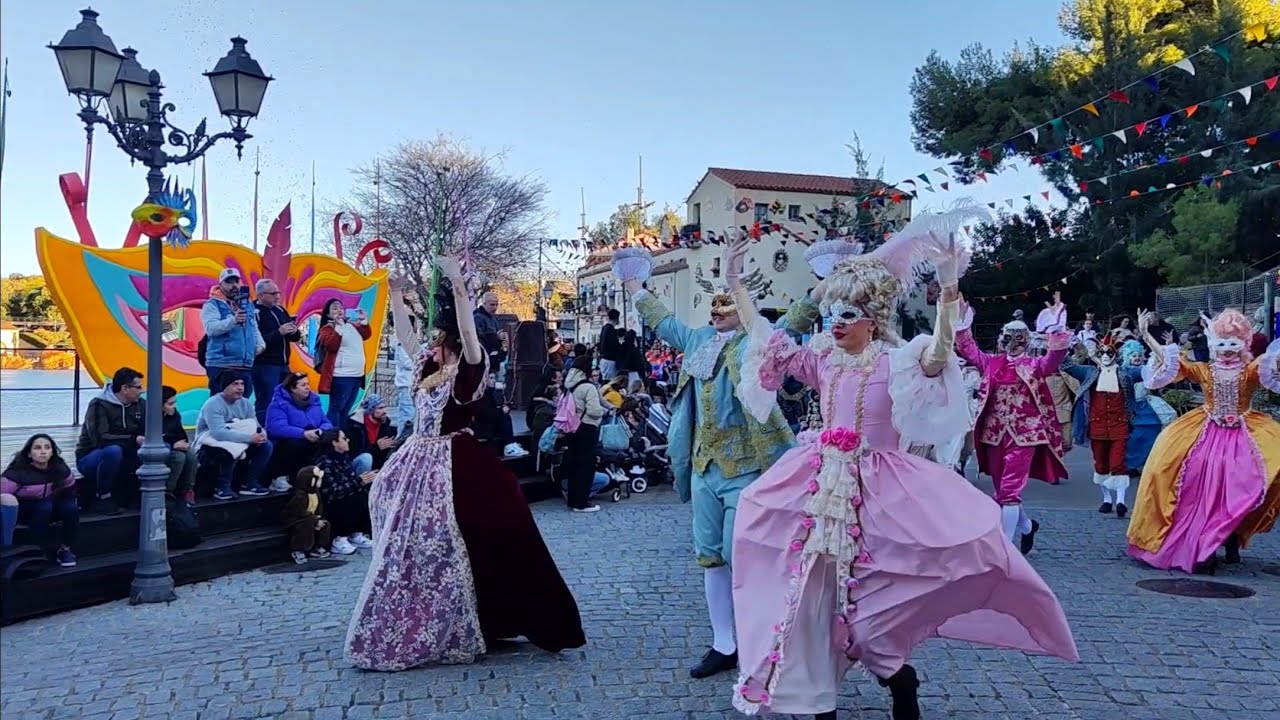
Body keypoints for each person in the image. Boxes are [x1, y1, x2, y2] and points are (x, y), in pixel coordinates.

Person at [728, 221, 1078, 720]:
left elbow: (939, 353)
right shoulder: (824, 360)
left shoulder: (897, 362)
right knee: (806, 594)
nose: (835, 323)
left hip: (880, 492)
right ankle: (815, 699)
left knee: (872, 610)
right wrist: (735, 281)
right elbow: (763, 336)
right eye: (831, 313)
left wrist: (950, 288)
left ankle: (897, 675)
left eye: (847, 314)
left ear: (872, 319)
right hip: (817, 486)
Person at [345, 258, 584, 671]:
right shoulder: (426, 367)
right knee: (406, 529)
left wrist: (458, 285)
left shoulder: (467, 372)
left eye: (439, 339)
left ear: (450, 342)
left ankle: (493, 611)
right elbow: (404, 334)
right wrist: (397, 293)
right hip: (416, 458)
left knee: (476, 532)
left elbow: (471, 336)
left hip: (454, 459)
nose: (431, 344)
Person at [615, 240, 820, 681]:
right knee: (709, 555)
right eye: (713, 307)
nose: (717, 312)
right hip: (704, 466)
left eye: (727, 306)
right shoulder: (698, 340)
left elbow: (795, 321)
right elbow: (662, 321)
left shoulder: (757, 340)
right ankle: (723, 643)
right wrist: (634, 284)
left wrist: (823, 287)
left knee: (741, 554)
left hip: (748, 468)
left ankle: (759, 639)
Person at [1127, 308, 1280, 574]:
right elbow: (1171, 363)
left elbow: (1273, 366)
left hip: (1243, 434)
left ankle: (1231, 537)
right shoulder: (1204, 370)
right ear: (1213, 344)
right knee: (1182, 476)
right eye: (1222, 343)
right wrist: (1146, 336)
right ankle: (1204, 544)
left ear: (1244, 344)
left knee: (1239, 485)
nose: (1227, 349)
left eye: (1233, 343)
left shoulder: (1251, 370)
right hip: (1204, 430)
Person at [955, 311, 1071, 551]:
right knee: (1002, 491)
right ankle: (1027, 527)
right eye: (1006, 337)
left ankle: (1006, 548)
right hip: (994, 434)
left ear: (1025, 340)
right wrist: (962, 322)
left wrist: (1056, 330)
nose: (1009, 342)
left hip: (1025, 436)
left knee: (1009, 492)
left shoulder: (1034, 366)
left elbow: (1055, 356)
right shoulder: (992, 362)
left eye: (1015, 338)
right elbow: (968, 350)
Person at [1061, 334, 1141, 517]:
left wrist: (1165, 350)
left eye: (1109, 352)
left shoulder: (1126, 373)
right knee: (1101, 463)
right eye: (1102, 352)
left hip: (1119, 424)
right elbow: (1066, 365)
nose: (1105, 355)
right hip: (1096, 425)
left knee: (1118, 462)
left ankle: (1121, 501)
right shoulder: (1089, 372)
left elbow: (1150, 372)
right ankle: (1106, 500)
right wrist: (1060, 340)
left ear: (1115, 354)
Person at [0, 434, 80, 567]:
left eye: (47, 447)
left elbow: (71, 490)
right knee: (45, 507)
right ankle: (38, 550)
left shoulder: (60, 468)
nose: (43, 451)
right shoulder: (18, 472)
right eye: (37, 448)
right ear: (29, 454)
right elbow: (3, 495)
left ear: (52, 452)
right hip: (25, 511)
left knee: (70, 507)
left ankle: (65, 549)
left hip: (51, 507)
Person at [74, 367, 146, 513]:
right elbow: (100, 438)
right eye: (138, 387)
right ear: (125, 388)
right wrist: (133, 439)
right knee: (113, 451)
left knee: (160, 447)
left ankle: (142, 494)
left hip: (126, 453)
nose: (142, 390)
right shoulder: (99, 405)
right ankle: (103, 496)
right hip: (92, 456)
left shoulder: (141, 404)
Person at [194, 373, 272, 501]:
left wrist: (261, 434)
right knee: (231, 448)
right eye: (235, 384)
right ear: (225, 387)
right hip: (209, 443)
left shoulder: (246, 403)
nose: (240, 388)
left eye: (242, 384)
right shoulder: (213, 404)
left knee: (266, 445)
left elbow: (254, 424)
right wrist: (249, 438)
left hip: (240, 437)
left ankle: (250, 483)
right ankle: (222, 487)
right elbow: (218, 433)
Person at [202, 268, 265, 396]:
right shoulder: (212, 304)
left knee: (242, 406)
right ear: (221, 285)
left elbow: (253, 327)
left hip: (245, 364)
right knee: (220, 404)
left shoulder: (247, 304)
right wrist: (233, 321)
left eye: (236, 281)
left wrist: (260, 344)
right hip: (222, 364)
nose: (234, 286)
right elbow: (211, 328)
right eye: (229, 282)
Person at [264, 372, 333, 488]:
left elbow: (326, 422)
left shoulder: (314, 402)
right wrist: (303, 434)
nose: (308, 387)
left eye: (308, 384)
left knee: (335, 436)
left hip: (313, 437)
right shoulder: (278, 404)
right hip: (288, 443)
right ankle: (279, 477)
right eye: (303, 385)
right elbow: (276, 427)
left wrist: (320, 431)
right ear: (292, 388)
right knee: (292, 443)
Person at [314, 428, 375, 556]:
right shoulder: (325, 463)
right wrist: (359, 481)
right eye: (344, 438)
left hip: (344, 495)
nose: (348, 440)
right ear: (335, 443)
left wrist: (363, 482)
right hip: (330, 505)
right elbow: (332, 492)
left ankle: (356, 534)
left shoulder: (344, 458)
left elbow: (350, 481)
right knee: (352, 499)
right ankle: (339, 539)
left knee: (364, 495)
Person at [1119, 339, 1176, 475]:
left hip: (1147, 404)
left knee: (1157, 428)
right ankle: (1130, 464)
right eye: (1133, 355)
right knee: (1136, 435)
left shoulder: (1144, 370)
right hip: (1132, 407)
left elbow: (1158, 369)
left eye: (1139, 355)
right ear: (1127, 357)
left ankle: (1149, 461)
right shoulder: (1124, 372)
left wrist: (1166, 348)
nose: (1137, 358)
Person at [252, 277, 302, 424]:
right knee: (266, 400)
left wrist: (293, 332)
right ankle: (265, 433)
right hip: (264, 365)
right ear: (260, 295)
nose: (277, 297)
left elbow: (295, 337)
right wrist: (278, 332)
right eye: (273, 294)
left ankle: (282, 430)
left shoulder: (280, 309)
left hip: (284, 364)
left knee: (286, 398)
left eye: (278, 293)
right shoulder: (254, 312)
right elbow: (255, 341)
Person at [316, 298, 373, 427]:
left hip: (357, 375)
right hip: (341, 375)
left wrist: (364, 321)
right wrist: (338, 328)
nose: (339, 310)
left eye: (341, 308)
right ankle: (331, 436)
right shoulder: (327, 328)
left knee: (346, 409)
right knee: (336, 408)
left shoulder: (351, 325)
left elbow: (366, 335)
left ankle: (342, 436)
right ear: (328, 314)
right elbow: (331, 345)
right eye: (335, 308)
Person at [562, 355, 607, 513]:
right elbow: (595, 411)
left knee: (575, 466)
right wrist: (604, 412)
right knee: (586, 467)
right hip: (587, 428)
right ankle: (582, 502)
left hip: (573, 428)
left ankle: (573, 501)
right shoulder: (588, 387)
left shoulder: (570, 386)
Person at [281, 465, 332, 565]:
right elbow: (299, 512)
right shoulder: (300, 496)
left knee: (325, 524)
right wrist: (314, 519)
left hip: (311, 517)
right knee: (306, 525)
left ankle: (318, 547)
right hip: (296, 520)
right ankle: (298, 550)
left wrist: (318, 517)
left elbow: (319, 506)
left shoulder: (315, 492)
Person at [161, 386, 198, 505]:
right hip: (164, 448)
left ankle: (187, 489)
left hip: (176, 445)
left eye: (174, 403)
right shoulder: (151, 417)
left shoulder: (174, 415)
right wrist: (173, 445)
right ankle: (168, 491)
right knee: (179, 457)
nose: (174, 406)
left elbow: (181, 434)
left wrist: (184, 444)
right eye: (170, 404)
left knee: (191, 454)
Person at [344, 393, 399, 471]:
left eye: (385, 407)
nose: (385, 411)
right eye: (380, 408)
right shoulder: (354, 426)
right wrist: (376, 447)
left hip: (377, 466)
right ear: (371, 410)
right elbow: (352, 453)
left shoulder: (386, 425)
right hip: (357, 464)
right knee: (366, 458)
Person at [392, 316, 418, 435]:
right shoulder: (402, 343)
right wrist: (421, 358)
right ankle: (401, 442)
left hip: (413, 384)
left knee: (413, 417)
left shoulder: (411, 342)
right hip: (407, 385)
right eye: (415, 324)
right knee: (407, 416)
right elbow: (407, 362)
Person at [598, 309, 621, 379]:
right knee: (610, 382)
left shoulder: (604, 328)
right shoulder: (611, 330)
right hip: (610, 361)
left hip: (604, 360)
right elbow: (614, 346)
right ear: (617, 319)